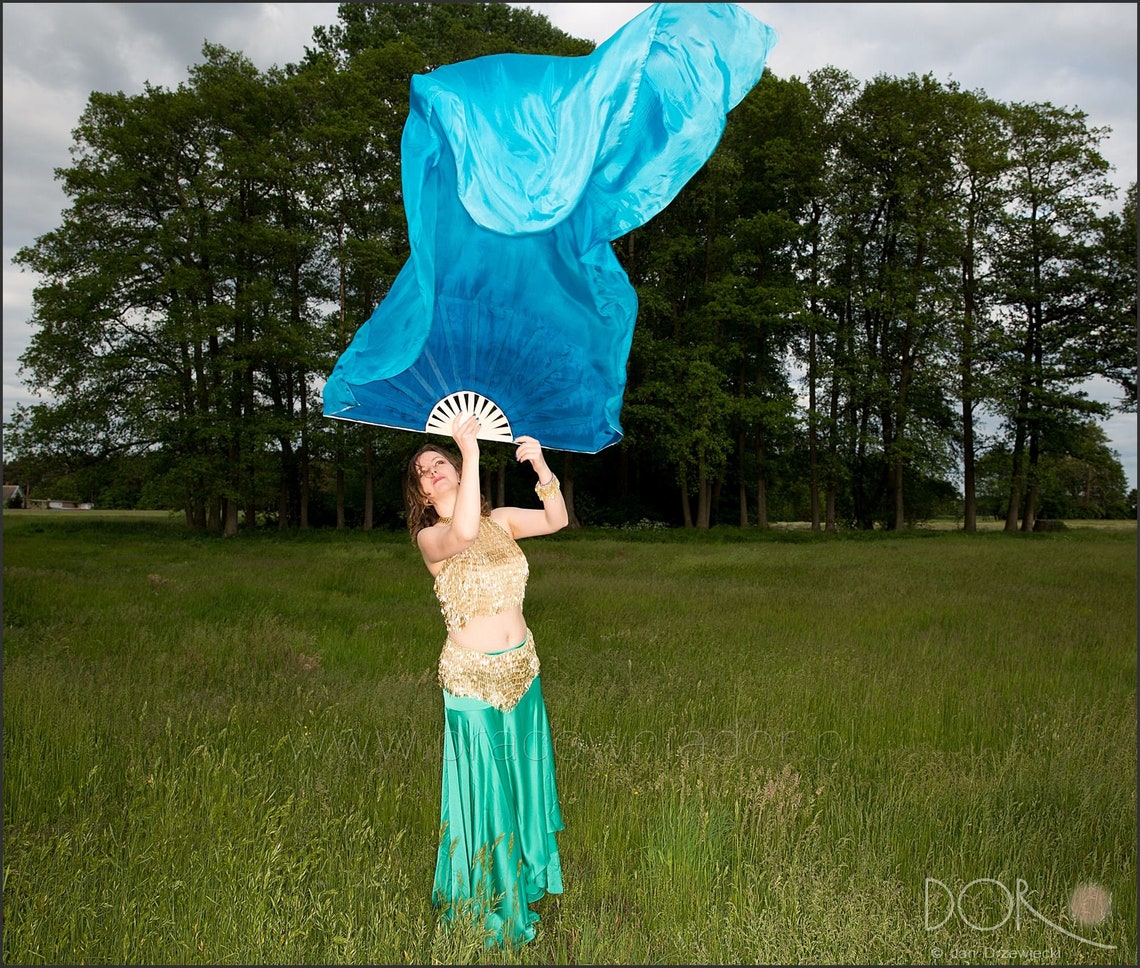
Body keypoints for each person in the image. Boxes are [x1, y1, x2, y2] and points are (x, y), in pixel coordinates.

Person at [404, 414, 569, 948]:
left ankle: (525, 875)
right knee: (487, 794)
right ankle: (490, 903)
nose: (433, 471)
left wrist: (540, 464)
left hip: (522, 672)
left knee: (522, 782)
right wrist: (471, 450)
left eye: (439, 462)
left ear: (455, 470)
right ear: (423, 496)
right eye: (423, 473)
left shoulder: (499, 519)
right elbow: (464, 533)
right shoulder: (432, 537)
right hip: (471, 683)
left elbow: (557, 519)